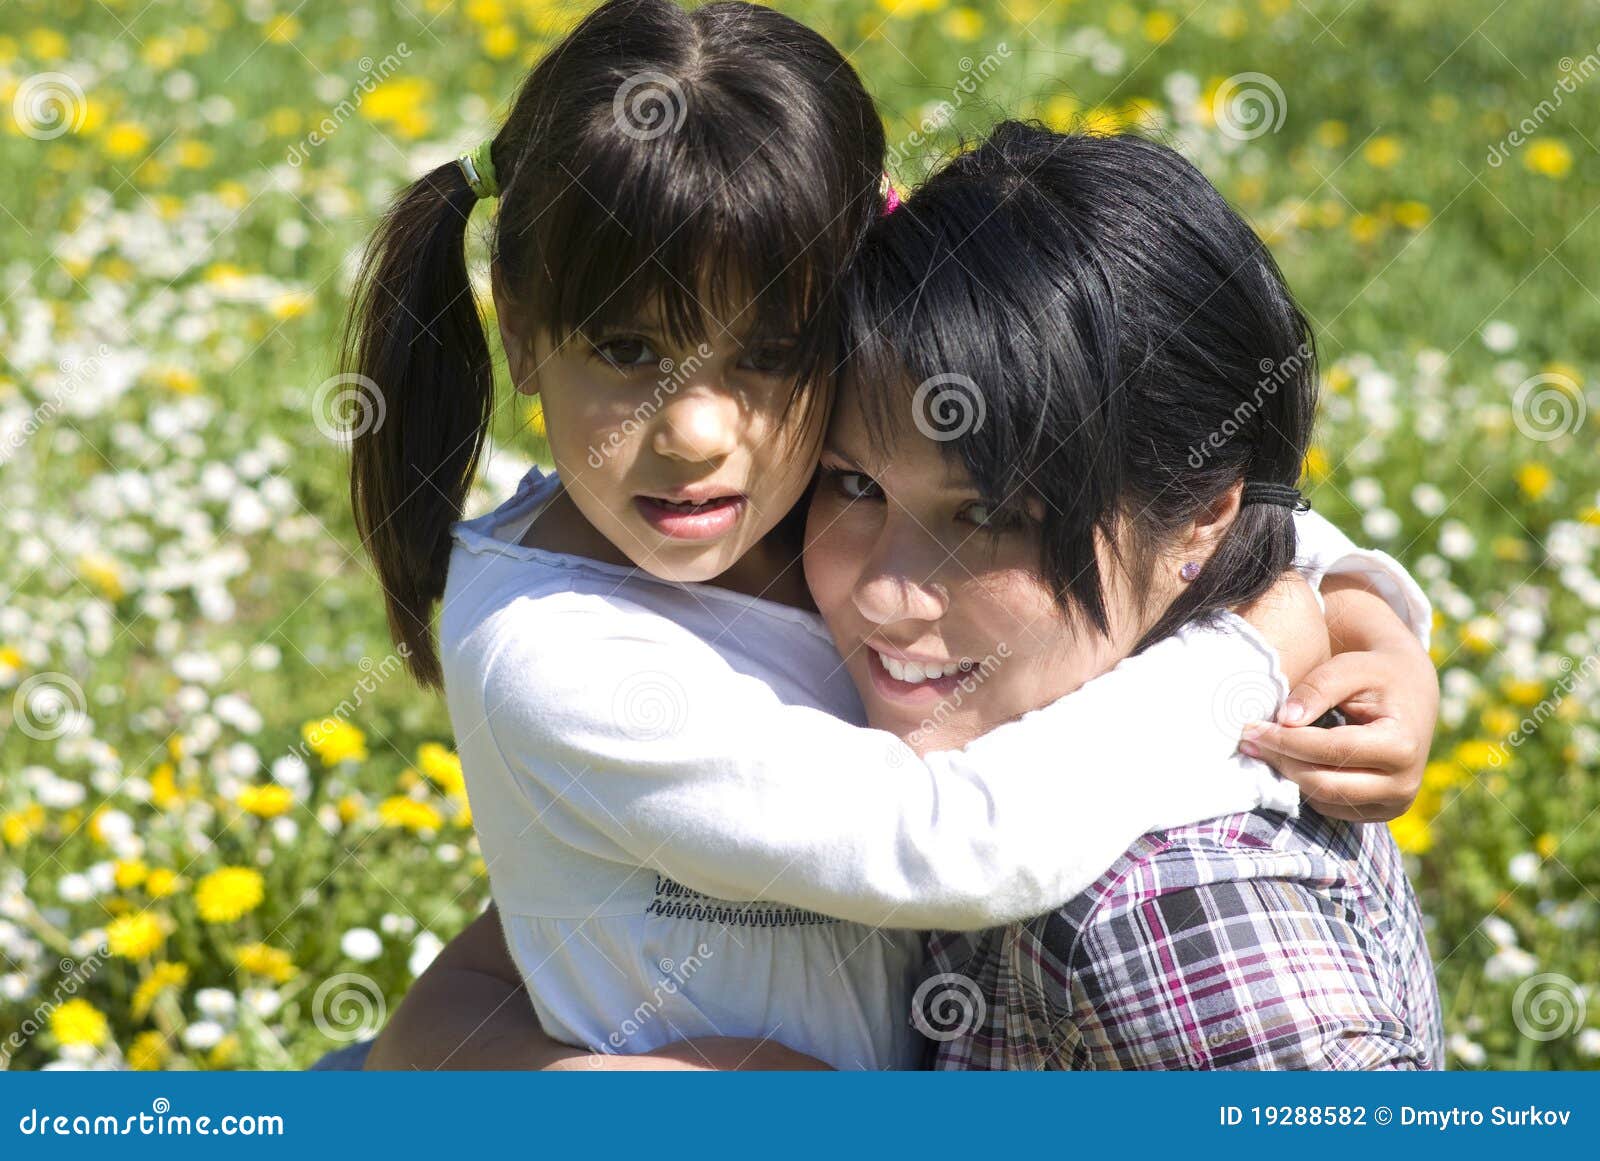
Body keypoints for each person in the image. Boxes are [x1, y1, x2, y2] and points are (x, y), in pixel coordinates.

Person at [341, 2, 1437, 1072]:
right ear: (522, 336)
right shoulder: (557, 653)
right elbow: (948, 844)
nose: (693, 430)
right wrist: (1254, 650)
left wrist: (1355, 609)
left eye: (770, 354)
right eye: (629, 351)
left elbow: (1161, 485)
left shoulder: (814, 505)